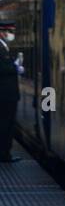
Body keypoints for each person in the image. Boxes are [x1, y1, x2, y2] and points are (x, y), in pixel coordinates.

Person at [0, 25, 20, 162]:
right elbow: (2, 67)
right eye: (7, 31)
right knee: (5, 124)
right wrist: (16, 67)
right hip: (5, 94)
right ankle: (4, 154)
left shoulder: (4, 47)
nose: (9, 34)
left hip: (7, 94)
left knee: (7, 124)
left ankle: (5, 153)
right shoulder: (1, 48)